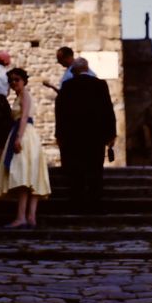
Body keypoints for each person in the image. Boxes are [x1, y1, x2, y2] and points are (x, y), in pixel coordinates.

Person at [0, 68, 51, 228]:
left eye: (17, 79)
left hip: (24, 134)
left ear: (24, 80)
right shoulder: (19, 96)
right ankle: (30, 217)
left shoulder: (24, 94)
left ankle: (22, 217)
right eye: (11, 80)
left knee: (23, 174)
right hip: (24, 133)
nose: (13, 82)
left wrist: (18, 137)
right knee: (28, 174)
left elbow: (24, 116)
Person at [55, 57, 116, 213]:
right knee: (95, 169)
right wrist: (111, 134)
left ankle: (77, 204)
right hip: (96, 136)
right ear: (87, 69)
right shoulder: (100, 85)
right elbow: (108, 110)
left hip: (73, 136)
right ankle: (95, 204)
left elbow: (60, 113)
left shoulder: (67, 86)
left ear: (74, 71)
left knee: (76, 170)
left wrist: (59, 135)